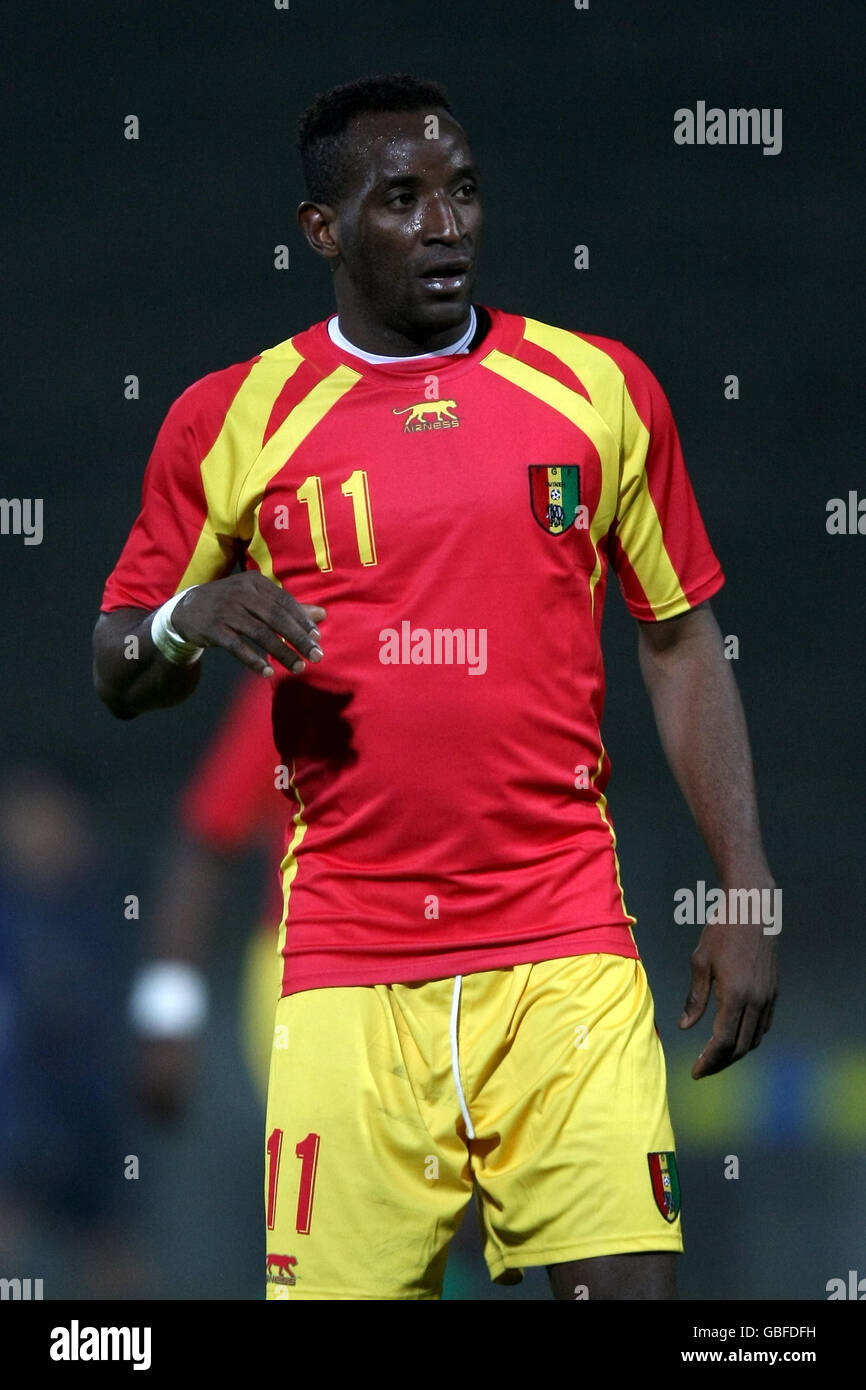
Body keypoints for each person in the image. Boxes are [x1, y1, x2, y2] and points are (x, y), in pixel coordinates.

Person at [92, 72, 778, 1301]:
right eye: (400, 199)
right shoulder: (231, 419)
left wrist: (746, 886)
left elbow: (677, 640)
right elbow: (117, 666)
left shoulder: (597, 391)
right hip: (345, 973)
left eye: (460, 192)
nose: (444, 224)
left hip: (564, 946)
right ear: (322, 231)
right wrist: (187, 618)